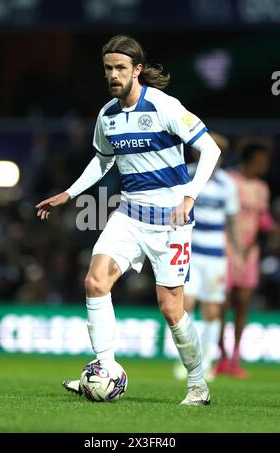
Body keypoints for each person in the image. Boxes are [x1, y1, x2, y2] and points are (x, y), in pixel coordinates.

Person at [36, 35, 221, 405]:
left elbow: (210, 149)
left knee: (171, 307)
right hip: (130, 214)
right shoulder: (107, 116)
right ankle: (104, 368)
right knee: (94, 280)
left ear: (137, 70)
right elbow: (103, 161)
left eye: (120, 68)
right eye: (108, 68)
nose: (113, 75)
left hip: (170, 221)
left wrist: (189, 195)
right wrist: (70, 193)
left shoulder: (164, 106)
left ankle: (198, 384)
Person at [173, 133, 241, 382]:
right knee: (185, 305)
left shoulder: (227, 184)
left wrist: (239, 252)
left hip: (215, 256)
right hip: (187, 251)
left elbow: (233, 220)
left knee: (212, 310)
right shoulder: (186, 174)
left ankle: (208, 360)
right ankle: (185, 361)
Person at [216, 142, 275, 378]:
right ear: (250, 160)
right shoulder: (230, 181)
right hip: (226, 250)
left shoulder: (262, 188)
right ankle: (221, 356)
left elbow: (263, 220)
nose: (265, 165)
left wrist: (273, 228)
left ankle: (235, 358)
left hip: (249, 253)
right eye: (261, 160)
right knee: (222, 304)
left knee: (242, 305)